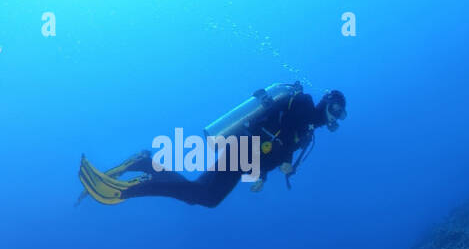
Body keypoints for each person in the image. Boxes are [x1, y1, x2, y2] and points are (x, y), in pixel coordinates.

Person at [77, 84, 346, 207]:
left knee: (198, 193)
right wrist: (283, 160)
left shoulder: (307, 131)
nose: (335, 117)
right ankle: (128, 191)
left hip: (246, 155)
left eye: (340, 115)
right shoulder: (303, 105)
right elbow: (282, 134)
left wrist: (263, 175)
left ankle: (144, 162)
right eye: (336, 110)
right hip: (243, 149)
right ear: (327, 103)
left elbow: (277, 143)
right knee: (206, 197)